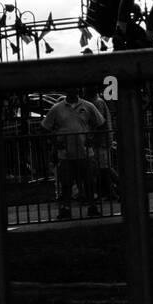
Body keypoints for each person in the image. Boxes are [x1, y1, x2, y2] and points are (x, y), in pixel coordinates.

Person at [41, 89, 106, 218]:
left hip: (85, 152)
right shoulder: (57, 108)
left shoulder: (88, 106)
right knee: (66, 182)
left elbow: (101, 124)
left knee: (89, 181)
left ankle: (91, 207)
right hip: (66, 153)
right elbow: (44, 128)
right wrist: (55, 142)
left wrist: (92, 138)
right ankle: (66, 208)